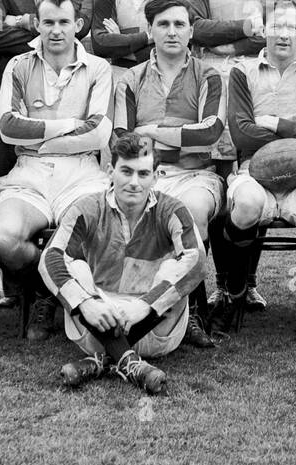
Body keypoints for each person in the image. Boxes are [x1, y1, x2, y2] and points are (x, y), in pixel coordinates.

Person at [212, 0, 296, 334]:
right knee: (247, 203)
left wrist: (271, 122)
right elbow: (241, 136)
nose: (283, 34)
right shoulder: (242, 72)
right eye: (276, 25)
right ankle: (234, 293)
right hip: (253, 168)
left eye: (291, 26)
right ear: (263, 29)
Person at [38, 133, 205, 395]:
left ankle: (100, 361)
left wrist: (145, 304)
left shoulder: (173, 209)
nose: (134, 182)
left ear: (156, 176)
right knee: (75, 267)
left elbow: (197, 262)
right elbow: (50, 258)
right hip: (97, 321)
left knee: (178, 264)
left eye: (143, 174)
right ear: (110, 171)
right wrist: (86, 303)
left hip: (155, 329)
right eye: (126, 171)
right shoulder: (87, 208)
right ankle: (129, 363)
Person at [0, 0, 112, 340]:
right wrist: (69, 124)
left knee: (88, 236)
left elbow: (98, 134)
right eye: (48, 22)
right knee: (5, 238)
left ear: (77, 24)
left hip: (82, 172)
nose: (55, 30)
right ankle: (45, 289)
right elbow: (8, 129)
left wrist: (40, 137)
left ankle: (54, 296)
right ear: (37, 25)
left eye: (63, 22)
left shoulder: (99, 68)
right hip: (29, 173)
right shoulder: (17, 65)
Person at [187, 0, 288, 311]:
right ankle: (222, 282)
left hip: (258, 78)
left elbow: (278, 26)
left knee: (256, 173)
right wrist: (243, 28)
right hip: (211, 79)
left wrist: (231, 36)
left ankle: (248, 281)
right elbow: (196, 28)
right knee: (217, 177)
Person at [116, 0, 224, 349]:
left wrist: (151, 132)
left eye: (179, 24)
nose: (172, 31)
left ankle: (194, 313)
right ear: (150, 30)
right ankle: (128, 307)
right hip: (145, 177)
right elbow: (122, 141)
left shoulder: (209, 74)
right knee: (127, 210)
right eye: (163, 24)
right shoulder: (130, 79)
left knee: (191, 211)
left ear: (192, 31)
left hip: (197, 174)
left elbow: (208, 134)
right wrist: (177, 136)